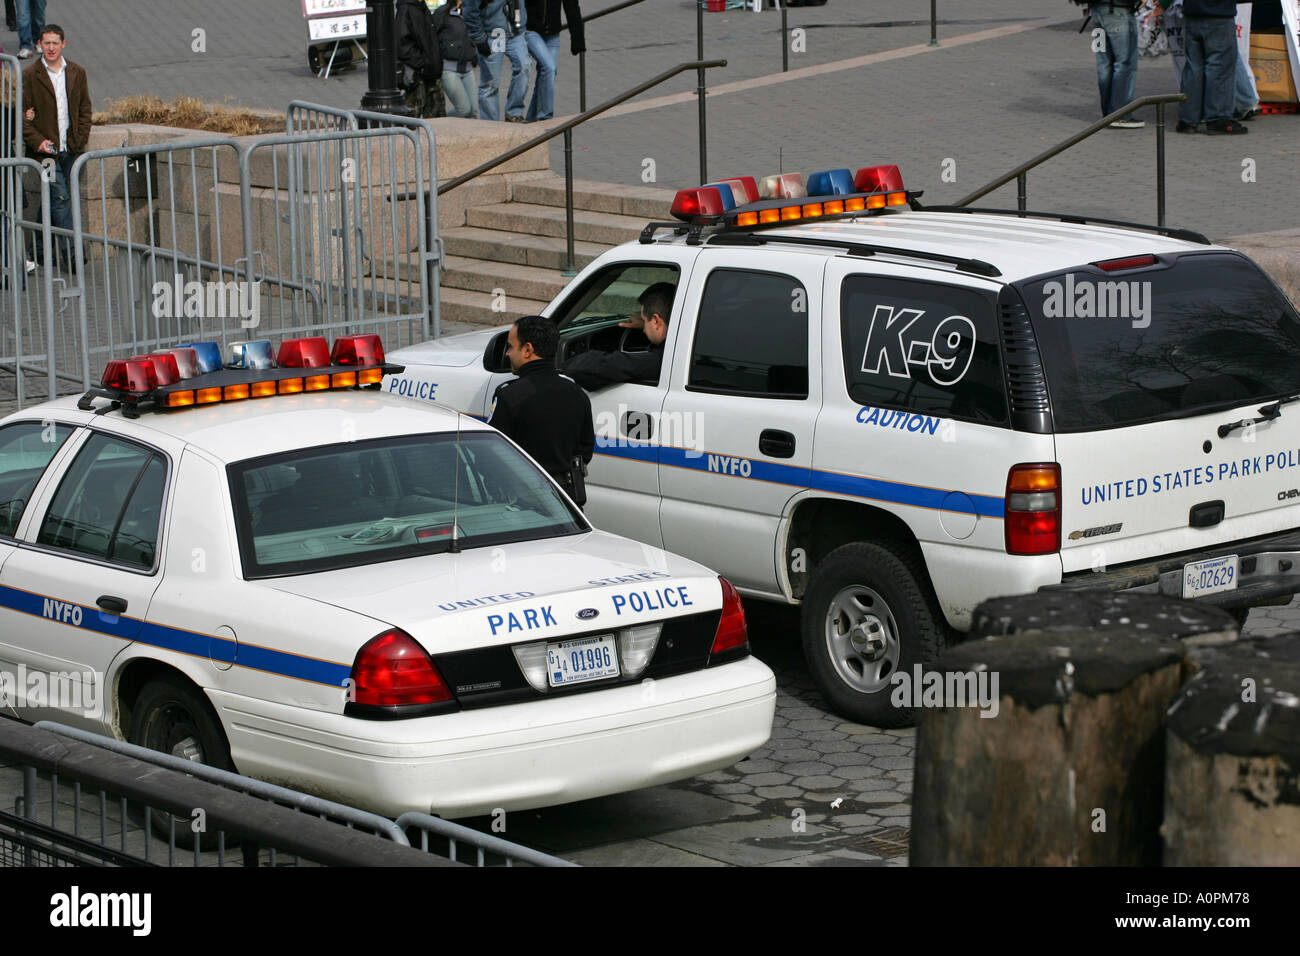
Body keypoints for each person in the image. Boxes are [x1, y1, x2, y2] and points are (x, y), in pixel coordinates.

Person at [488, 314, 595, 505]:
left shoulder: (510, 396)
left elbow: (493, 454)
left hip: (523, 503)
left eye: (511, 347)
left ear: (527, 350)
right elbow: (585, 451)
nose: (507, 354)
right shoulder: (577, 393)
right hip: (567, 503)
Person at [22, 24, 90, 268]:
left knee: (54, 200)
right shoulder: (29, 75)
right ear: (39, 45)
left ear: (64, 43)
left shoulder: (76, 72)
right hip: (46, 154)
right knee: (60, 199)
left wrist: (80, 138)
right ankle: (73, 257)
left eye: (55, 43)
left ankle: (38, 251)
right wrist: (38, 141)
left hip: (70, 149)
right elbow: (22, 118)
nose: (50, 47)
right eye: (46, 43)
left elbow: (84, 108)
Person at [564, 282, 674, 391]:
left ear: (656, 320)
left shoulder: (662, 360)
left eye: (644, 321)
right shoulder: (683, 349)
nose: (644, 330)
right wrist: (648, 324)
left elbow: (582, 368)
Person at [1176, 0, 1247, 133]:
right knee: (1219, 66)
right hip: (1218, 13)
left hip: (1192, 12)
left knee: (1193, 68)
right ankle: (1217, 117)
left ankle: (1188, 119)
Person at [1076, 0, 1145, 128]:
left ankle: (1109, 113)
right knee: (1124, 63)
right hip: (1118, 11)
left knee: (1104, 63)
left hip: (1097, 12)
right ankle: (1120, 113)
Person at [464, 0, 531, 123]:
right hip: (494, 34)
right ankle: (491, 123)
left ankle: (514, 113)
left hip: (515, 32)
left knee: (524, 67)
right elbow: (469, 11)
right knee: (491, 83)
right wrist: (479, 38)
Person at [523, 0, 584, 122]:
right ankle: (545, 119)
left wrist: (577, 38)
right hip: (530, 31)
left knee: (546, 77)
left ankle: (531, 121)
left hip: (552, 34)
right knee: (549, 68)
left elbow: (571, 5)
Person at [396, 0, 446, 119]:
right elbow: (402, 45)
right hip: (418, 75)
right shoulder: (407, 9)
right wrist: (423, 64)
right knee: (413, 118)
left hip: (431, 72)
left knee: (437, 117)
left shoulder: (422, 7)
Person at [432, 0, 478, 118]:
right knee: (464, 110)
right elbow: (433, 38)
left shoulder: (469, 12)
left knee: (473, 112)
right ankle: (440, 124)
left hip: (467, 68)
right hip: (449, 69)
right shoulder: (443, 13)